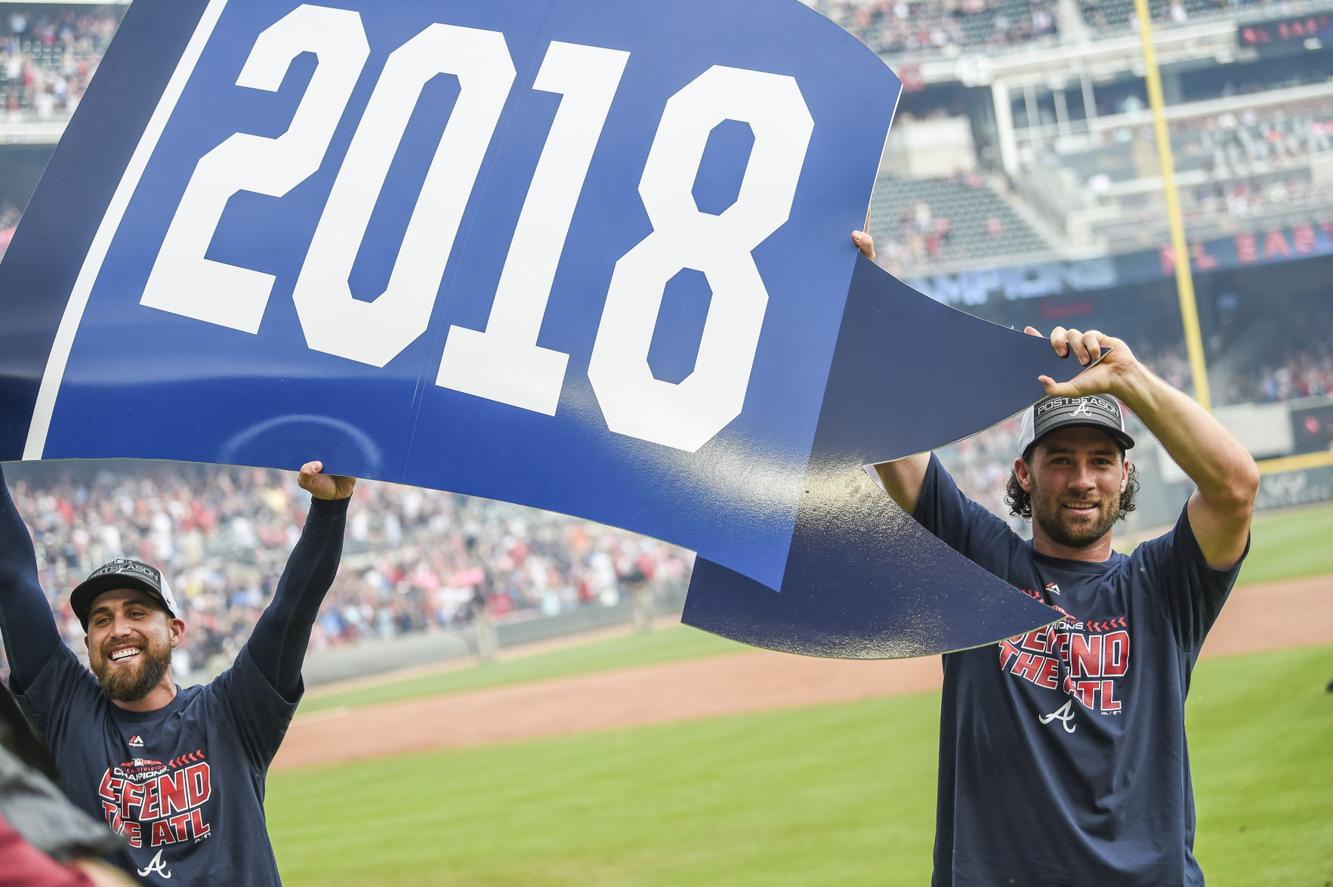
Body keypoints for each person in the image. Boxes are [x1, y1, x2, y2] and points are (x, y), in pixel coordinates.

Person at [852, 230, 1259, 885]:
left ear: (1125, 477)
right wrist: (858, 303)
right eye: (1060, 459)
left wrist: (1130, 379)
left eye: (1100, 461)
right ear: (1023, 471)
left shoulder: (1162, 587)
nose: (1081, 479)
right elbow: (886, 434)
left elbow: (1234, 485)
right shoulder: (975, 561)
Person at [0, 461, 355, 884]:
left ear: (175, 630)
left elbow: (293, 609)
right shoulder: (67, 710)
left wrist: (329, 511)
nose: (119, 630)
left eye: (136, 612)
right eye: (101, 620)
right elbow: (12, 580)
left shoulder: (231, 712)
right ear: (89, 642)